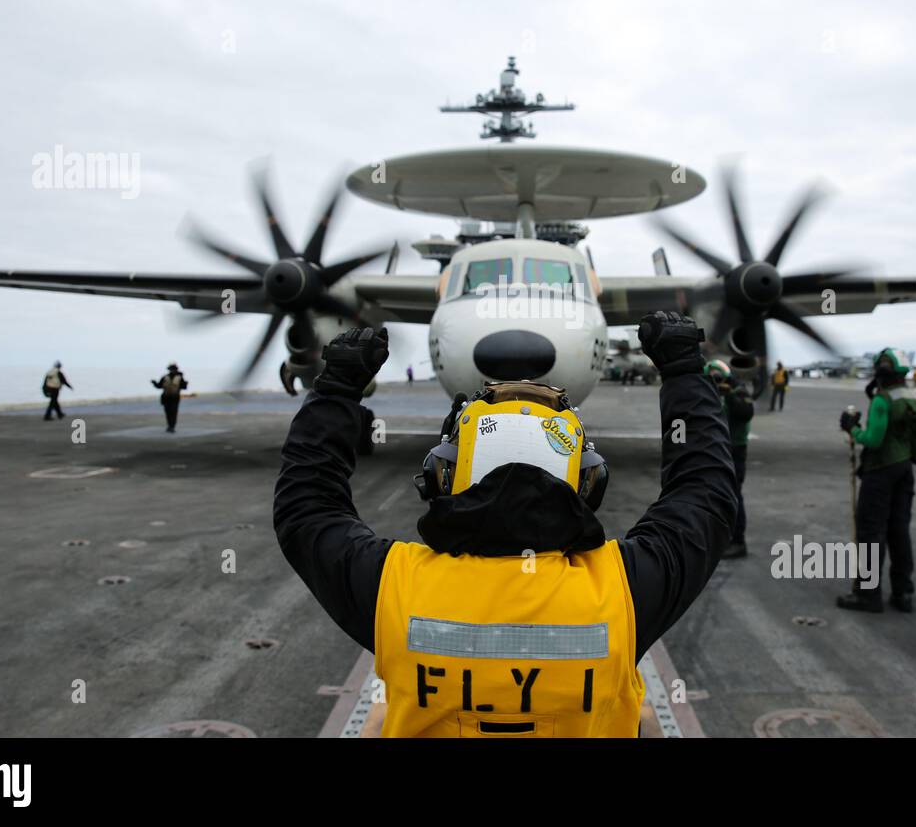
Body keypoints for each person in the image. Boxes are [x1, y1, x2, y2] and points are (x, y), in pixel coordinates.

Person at [274, 312, 736, 738]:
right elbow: (704, 493)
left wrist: (336, 390)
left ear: (443, 475)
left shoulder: (394, 586)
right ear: (587, 482)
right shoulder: (624, 592)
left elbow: (307, 506)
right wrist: (684, 374)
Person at [836, 348, 916, 613]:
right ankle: (903, 593)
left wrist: (852, 428)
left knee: (870, 532)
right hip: (904, 468)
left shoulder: (883, 400)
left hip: (880, 471)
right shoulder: (912, 396)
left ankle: (868, 594)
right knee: (899, 531)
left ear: (881, 371)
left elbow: (872, 439)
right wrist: (911, 459)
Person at [706, 359, 754, 559]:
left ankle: (737, 541)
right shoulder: (716, 395)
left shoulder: (738, 392)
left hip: (734, 451)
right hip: (720, 450)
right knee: (719, 495)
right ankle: (724, 538)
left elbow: (745, 413)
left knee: (733, 495)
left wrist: (730, 394)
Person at [152, 363, 188, 433]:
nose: (172, 370)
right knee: (168, 412)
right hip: (166, 397)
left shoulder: (179, 378)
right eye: (171, 369)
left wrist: (185, 384)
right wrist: (154, 383)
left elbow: (183, 387)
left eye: (173, 369)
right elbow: (159, 386)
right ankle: (169, 426)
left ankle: (172, 426)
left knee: (173, 412)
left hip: (175, 397)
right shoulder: (165, 377)